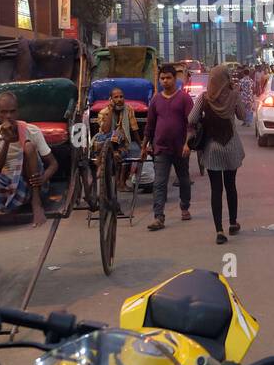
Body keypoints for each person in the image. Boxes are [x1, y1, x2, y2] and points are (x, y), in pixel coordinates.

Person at [0, 91, 57, 226]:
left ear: (17, 113)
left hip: (33, 182)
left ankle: (36, 203)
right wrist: (6, 141)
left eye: (12, 112)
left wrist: (43, 178)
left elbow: (53, 164)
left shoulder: (32, 130)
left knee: (28, 146)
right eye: (4, 112)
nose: (8, 116)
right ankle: (9, 201)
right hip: (8, 184)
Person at [190, 65, 247, 245]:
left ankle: (219, 231)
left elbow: (191, 119)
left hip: (212, 148)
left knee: (216, 189)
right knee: (231, 186)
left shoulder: (204, 98)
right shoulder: (234, 95)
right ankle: (232, 223)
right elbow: (243, 116)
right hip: (231, 147)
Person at [142, 63, 195, 231]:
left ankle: (185, 206)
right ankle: (159, 217)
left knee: (184, 180)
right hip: (161, 148)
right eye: (162, 78)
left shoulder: (184, 99)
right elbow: (150, 126)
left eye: (168, 78)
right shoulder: (156, 100)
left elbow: (191, 125)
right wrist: (144, 146)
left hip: (181, 148)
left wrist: (188, 144)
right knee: (159, 183)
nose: (165, 81)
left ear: (175, 79)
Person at [95, 87, 140, 189]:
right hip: (105, 141)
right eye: (116, 97)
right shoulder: (103, 112)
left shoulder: (128, 110)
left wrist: (141, 144)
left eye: (121, 97)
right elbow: (105, 130)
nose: (119, 99)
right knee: (106, 137)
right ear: (111, 99)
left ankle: (119, 181)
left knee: (119, 135)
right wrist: (111, 111)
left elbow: (134, 128)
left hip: (122, 144)